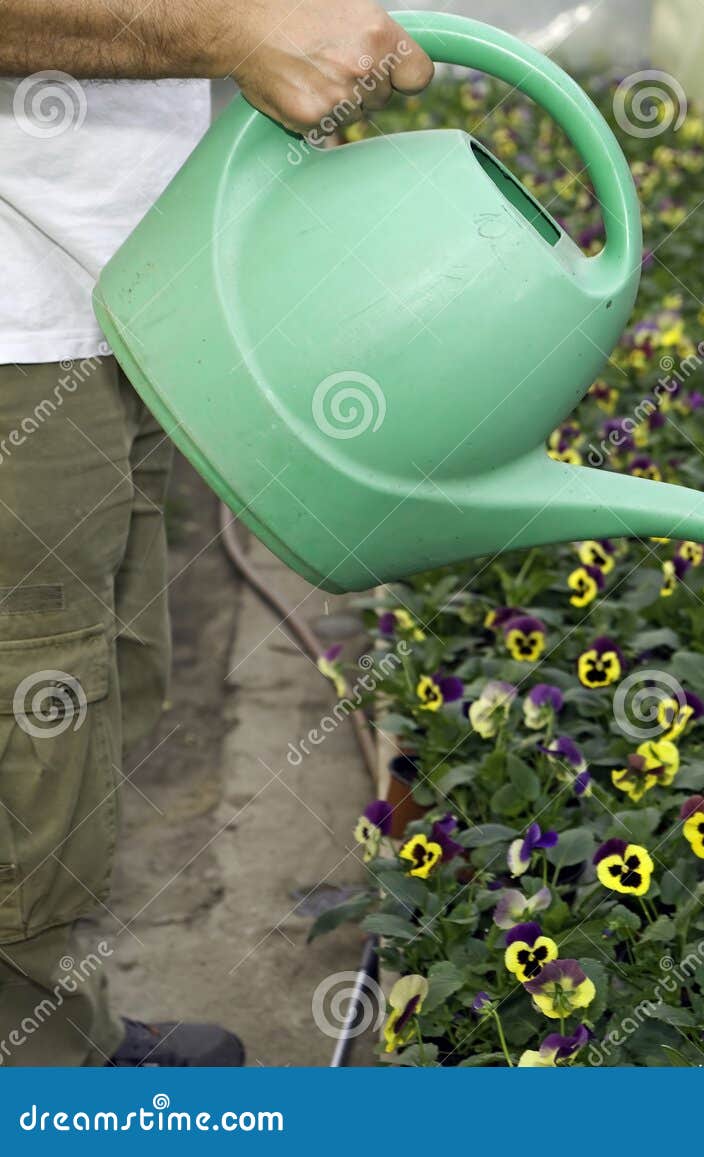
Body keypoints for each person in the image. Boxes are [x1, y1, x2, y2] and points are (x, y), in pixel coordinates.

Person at [0, 0, 433, 1066]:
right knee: (29, 739)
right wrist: (231, 32)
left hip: (120, 298)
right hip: (14, 330)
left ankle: (57, 1032)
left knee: (93, 699)